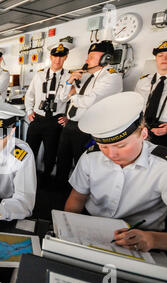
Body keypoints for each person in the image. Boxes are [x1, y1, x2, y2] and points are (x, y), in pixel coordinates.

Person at [64, 92, 167, 254]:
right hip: (90, 231)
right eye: (104, 147)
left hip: (144, 240)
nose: (111, 154)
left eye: (121, 146)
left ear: (143, 134)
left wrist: (153, 239)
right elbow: (77, 199)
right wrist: (67, 233)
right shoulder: (90, 157)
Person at [55, 40, 123, 188]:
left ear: (106, 59)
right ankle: (58, 193)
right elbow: (61, 97)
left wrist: (72, 94)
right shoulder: (87, 76)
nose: (86, 60)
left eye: (91, 56)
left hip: (89, 128)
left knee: (83, 164)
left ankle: (81, 195)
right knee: (62, 160)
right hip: (71, 125)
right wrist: (69, 82)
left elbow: (89, 102)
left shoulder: (111, 76)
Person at [24, 40, 72, 186]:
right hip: (37, 119)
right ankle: (26, 177)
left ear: (66, 57)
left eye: (61, 56)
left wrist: (68, 117)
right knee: (29, 149)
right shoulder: (39, 75)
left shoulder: (69, 77)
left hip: (55, 121)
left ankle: (45, 180)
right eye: (55, 56)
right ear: (50, 57)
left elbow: (73, 100)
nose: (58, 60)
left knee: (51, 153)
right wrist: (29, 111)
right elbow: (30, 94)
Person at [135, 38, 167, 151]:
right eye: (160, 55)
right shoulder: (144, 80)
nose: (164, 58)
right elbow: (134, 105)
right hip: (141, 128)